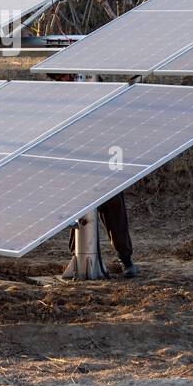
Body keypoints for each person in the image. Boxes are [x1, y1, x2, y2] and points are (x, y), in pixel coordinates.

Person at [47, 72, 138, 277]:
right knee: (80, 217)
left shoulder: (102, 97)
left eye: (65, 77)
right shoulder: (60, 102)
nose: (63, 81)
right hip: (79, 168)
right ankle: (79, 257)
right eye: (59, 79)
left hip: (106, 165)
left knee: (115, 214)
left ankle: (126, 260)